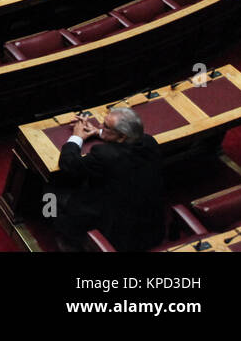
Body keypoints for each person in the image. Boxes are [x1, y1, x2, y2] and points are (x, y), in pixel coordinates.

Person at [50, 105, 165, 251]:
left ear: (122, 136)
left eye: (106, 126)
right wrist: (100, 132)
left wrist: (77, 137)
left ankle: (64, 235)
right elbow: (124, 147)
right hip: (149, 223)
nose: (99, 125)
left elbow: (68, 163)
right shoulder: (149, 142)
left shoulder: (104, 154)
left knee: (51, 190)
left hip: (116, 230)